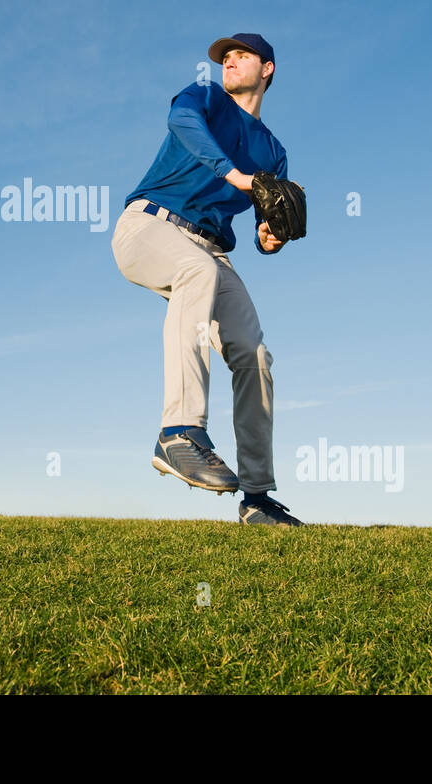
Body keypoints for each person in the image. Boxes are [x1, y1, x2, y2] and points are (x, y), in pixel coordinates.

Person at [110, 33, 304, 527]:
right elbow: (183, 123)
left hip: (210, 248)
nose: (229, 62)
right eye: (225, 57)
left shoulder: (273, 152)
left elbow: (264, 231)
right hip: (149, 226)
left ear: (268, 70)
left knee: (254, 355)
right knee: (195, 269)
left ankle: (257, 498)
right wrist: (236, 176)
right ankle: (179, 432)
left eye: (242, 56)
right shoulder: (205, 98)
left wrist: (270, 238)